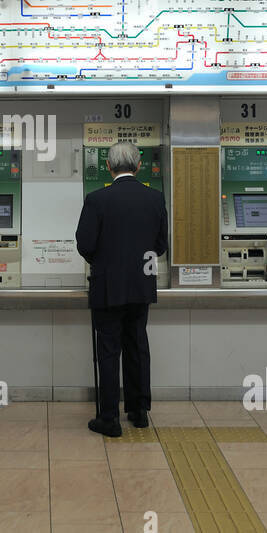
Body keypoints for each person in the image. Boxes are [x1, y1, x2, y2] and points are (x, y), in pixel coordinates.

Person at [75, 141, 170, 437]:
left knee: (108, 351)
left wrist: (105, 262)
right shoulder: (154, 198)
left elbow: (85, 244)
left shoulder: (96, 199)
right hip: (142, 284)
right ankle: (139, 411)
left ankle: (109, 418)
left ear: (108, 166)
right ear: (138, 166)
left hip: (107, 287)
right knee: (137, 346)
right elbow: (160, 246)